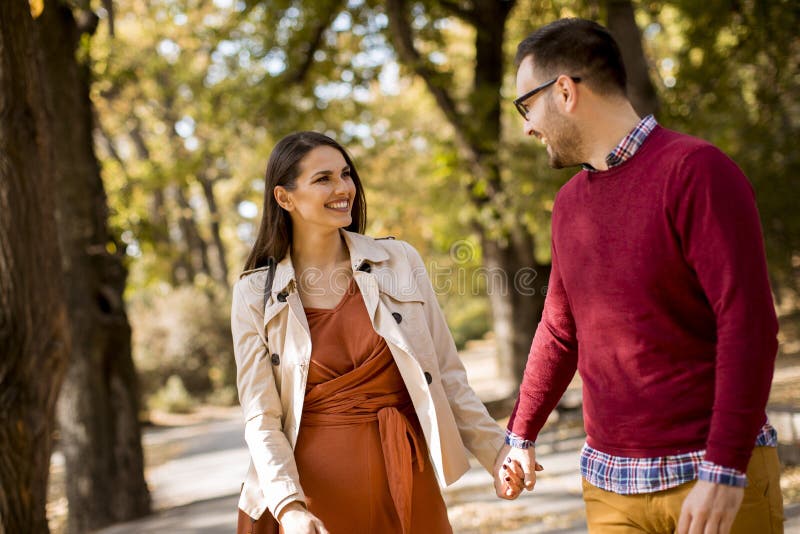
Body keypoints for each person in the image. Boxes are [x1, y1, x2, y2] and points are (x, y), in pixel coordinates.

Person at [494, 17, 784, 534]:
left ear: (564, 91)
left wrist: (724, 467)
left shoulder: (696, 170)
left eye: (526, 106)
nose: (526, 127)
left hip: (708, 477)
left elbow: (748, 325)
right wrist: (521, 433)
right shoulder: (568, 206)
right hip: (611, 487)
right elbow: (561, 331)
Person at [231, 131, 520, 534]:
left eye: (345, 174)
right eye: (323, 179)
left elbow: (446, 375)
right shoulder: (253, 294)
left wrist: (497, 452)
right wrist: (290, 506)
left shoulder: (398, 261)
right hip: (307, 498)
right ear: (285, 198)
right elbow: (262, 417)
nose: (343, 188)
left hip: (406, 474)